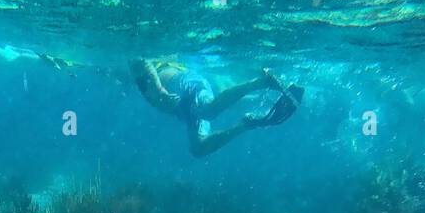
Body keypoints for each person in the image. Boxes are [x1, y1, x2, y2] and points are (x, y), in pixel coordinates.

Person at [130, 58, 303, 157]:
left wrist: (160, 91)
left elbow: (142, 61)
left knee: (207, 110)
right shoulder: (124, 77)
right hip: (181, 109)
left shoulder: (151, 61)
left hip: (185, 83)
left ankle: (263, 82)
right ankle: (247, 124)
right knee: (198, 149)